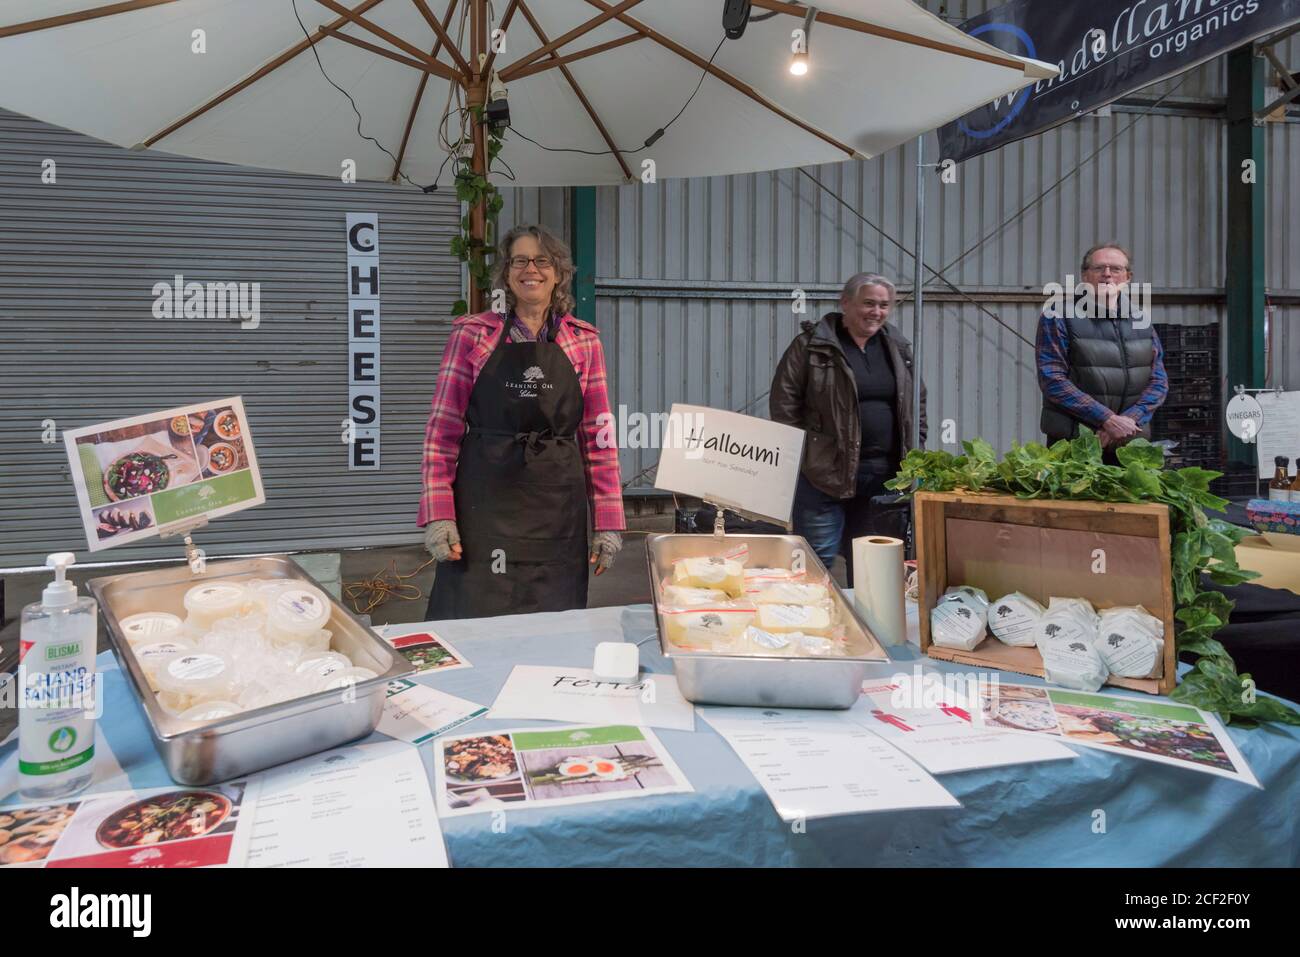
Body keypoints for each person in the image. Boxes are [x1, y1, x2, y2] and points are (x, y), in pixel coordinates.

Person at [419, 224, 625, 619]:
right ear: (507, 273)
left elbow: (599, 439)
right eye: (520, 260)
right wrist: (439, 514)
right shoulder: (472, 335)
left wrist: (608, 523)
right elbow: (441, 434)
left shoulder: (584, 341)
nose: (531, 269)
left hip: (557, 510)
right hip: (485, 506)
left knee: (551, 620)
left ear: (559, 272)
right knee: (473, 612)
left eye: (542, 260)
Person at [770, 273, 927, 579]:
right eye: (868, 303)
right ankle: (811, 624)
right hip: (824, 476)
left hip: (885, 478)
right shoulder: (811, 347)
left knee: (873, 568)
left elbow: (916, 401)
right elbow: (784, 404)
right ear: (845, 303)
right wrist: (804, 456)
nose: (876, 312)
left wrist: (916, 444)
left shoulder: (897, 347)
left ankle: (867, 626)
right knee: (816, 561)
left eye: (884, 305)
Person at [1037, 243, 1168, 461]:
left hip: (1131, 444)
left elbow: (1159, 381)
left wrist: (1127, 422)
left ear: (1127, 277)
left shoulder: (1141, 321)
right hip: (1077, 444)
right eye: (1099, 268)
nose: (1107, 274)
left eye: (1116, 269)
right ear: (1084, 276)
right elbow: (1052, 379)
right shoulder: (1058, 316)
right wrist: (1106, 419)